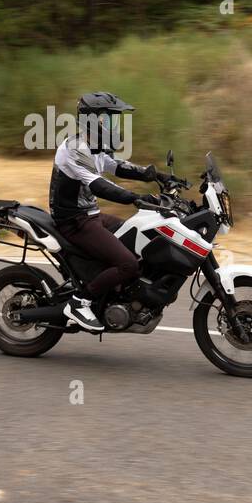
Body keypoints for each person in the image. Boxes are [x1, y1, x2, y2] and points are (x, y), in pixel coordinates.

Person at [49, 92, 163, 332]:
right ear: (92, 120)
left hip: (91, 216)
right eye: (108, 119)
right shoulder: (74, 149)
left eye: (114, 120)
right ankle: (81, 302)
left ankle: (117, 295)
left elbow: (117, 166)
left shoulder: (95, 146)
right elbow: (99, 185)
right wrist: (136, 198)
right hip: (74, 222)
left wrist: (155, 175)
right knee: (128, 264)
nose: (113, 125)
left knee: (139, 239)